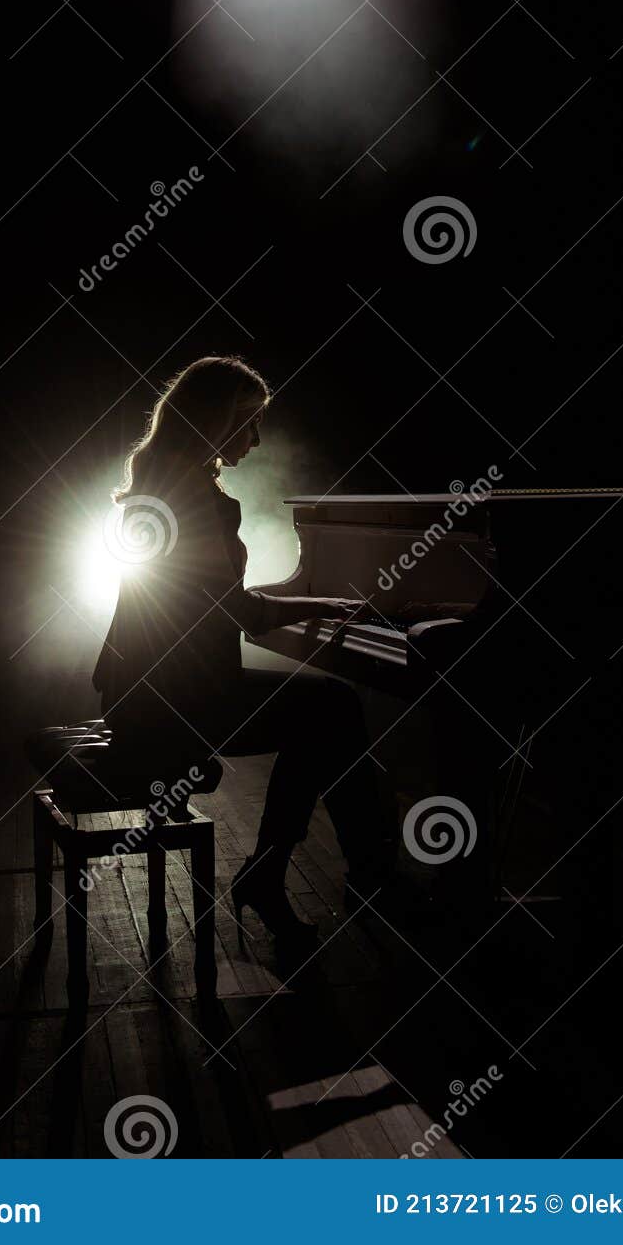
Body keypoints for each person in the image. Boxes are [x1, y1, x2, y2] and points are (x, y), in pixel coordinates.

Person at [92, 354, 387, 953]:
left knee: (322, 715)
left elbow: (217, 600)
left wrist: (304, 601)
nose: (255, 438)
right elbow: (242, 614)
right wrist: (324, 603)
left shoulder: (167, 481)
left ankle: (283, 875)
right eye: (249, 423)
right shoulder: (198, 498)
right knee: (333, 707)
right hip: (175, 702)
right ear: (216, 419)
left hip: (139, 691)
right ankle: (362, 877)